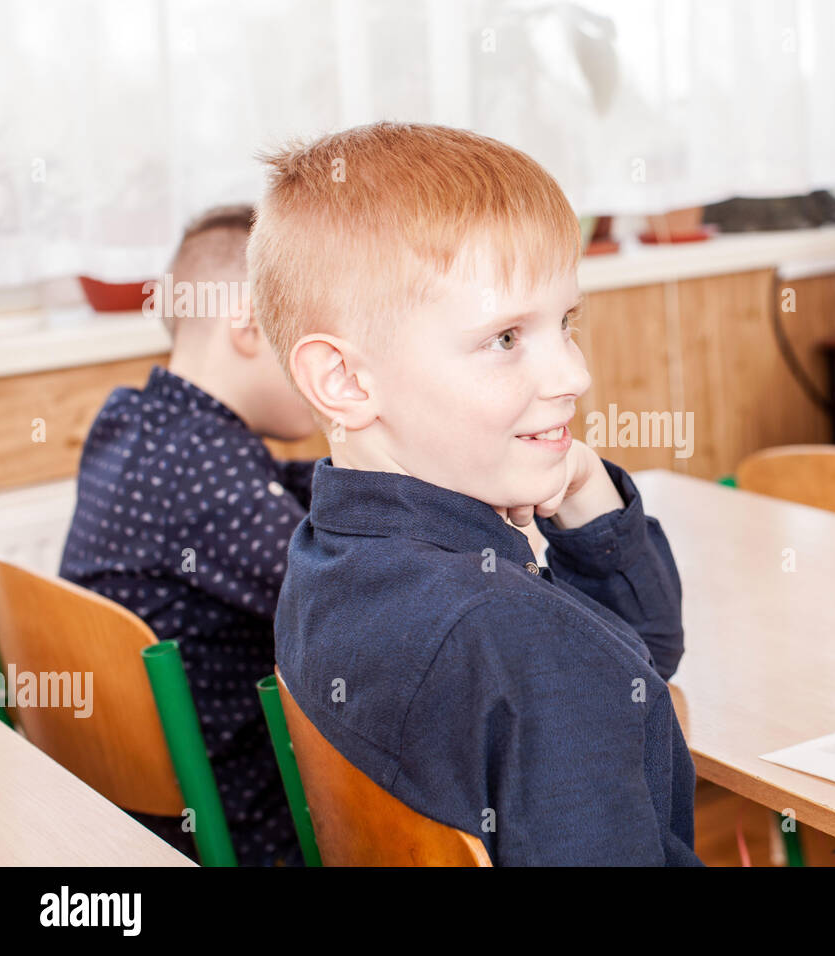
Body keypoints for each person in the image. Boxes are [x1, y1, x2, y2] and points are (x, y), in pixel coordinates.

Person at [253, 123, 699, 865]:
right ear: (344, 381)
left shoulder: (329, 563)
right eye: (505, 339)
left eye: (566, 323)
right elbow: (596, 669)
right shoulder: (514, 640)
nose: (573, 377)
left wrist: (586, 495)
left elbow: (643, 657)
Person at [60, 205, 316, 865]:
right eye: (320, 343)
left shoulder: (134, 421)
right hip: (246, 827)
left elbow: (281, 486)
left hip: (133, 809)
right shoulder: (210, 479)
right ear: (252, 328)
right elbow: (341, 599)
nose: (335, 376)